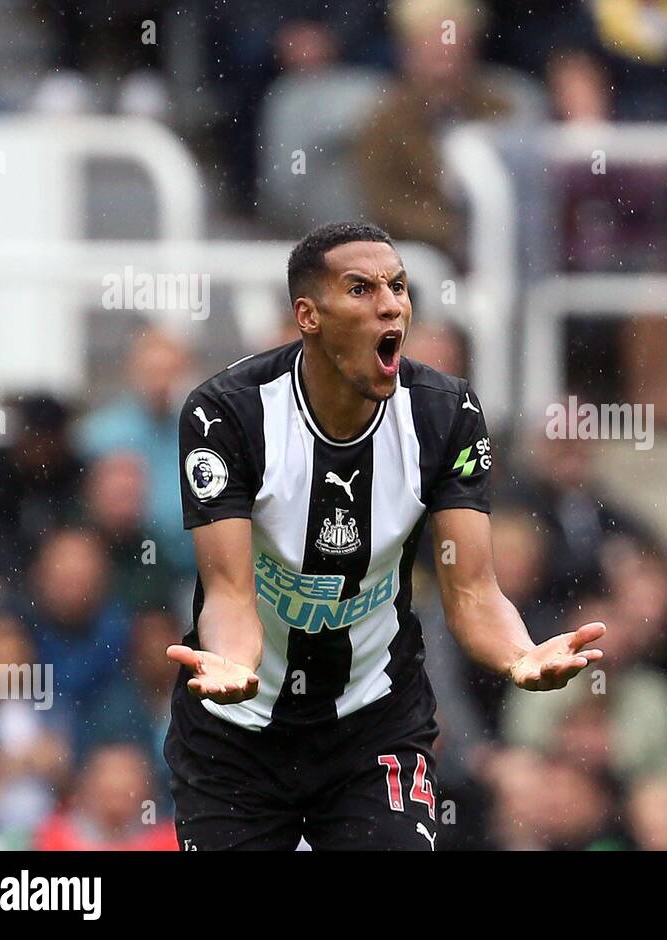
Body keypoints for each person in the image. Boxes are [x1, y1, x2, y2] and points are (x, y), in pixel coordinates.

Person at [165, 222, 604, 850]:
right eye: (362, 288)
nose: (391, 303)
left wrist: (519, 655)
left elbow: (474, 591)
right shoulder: (226, 414)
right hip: (238, 736)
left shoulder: (446, 414)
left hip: (373, 726)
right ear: (309, 315)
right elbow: (231, 595)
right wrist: (235, 667)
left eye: (398, 287)